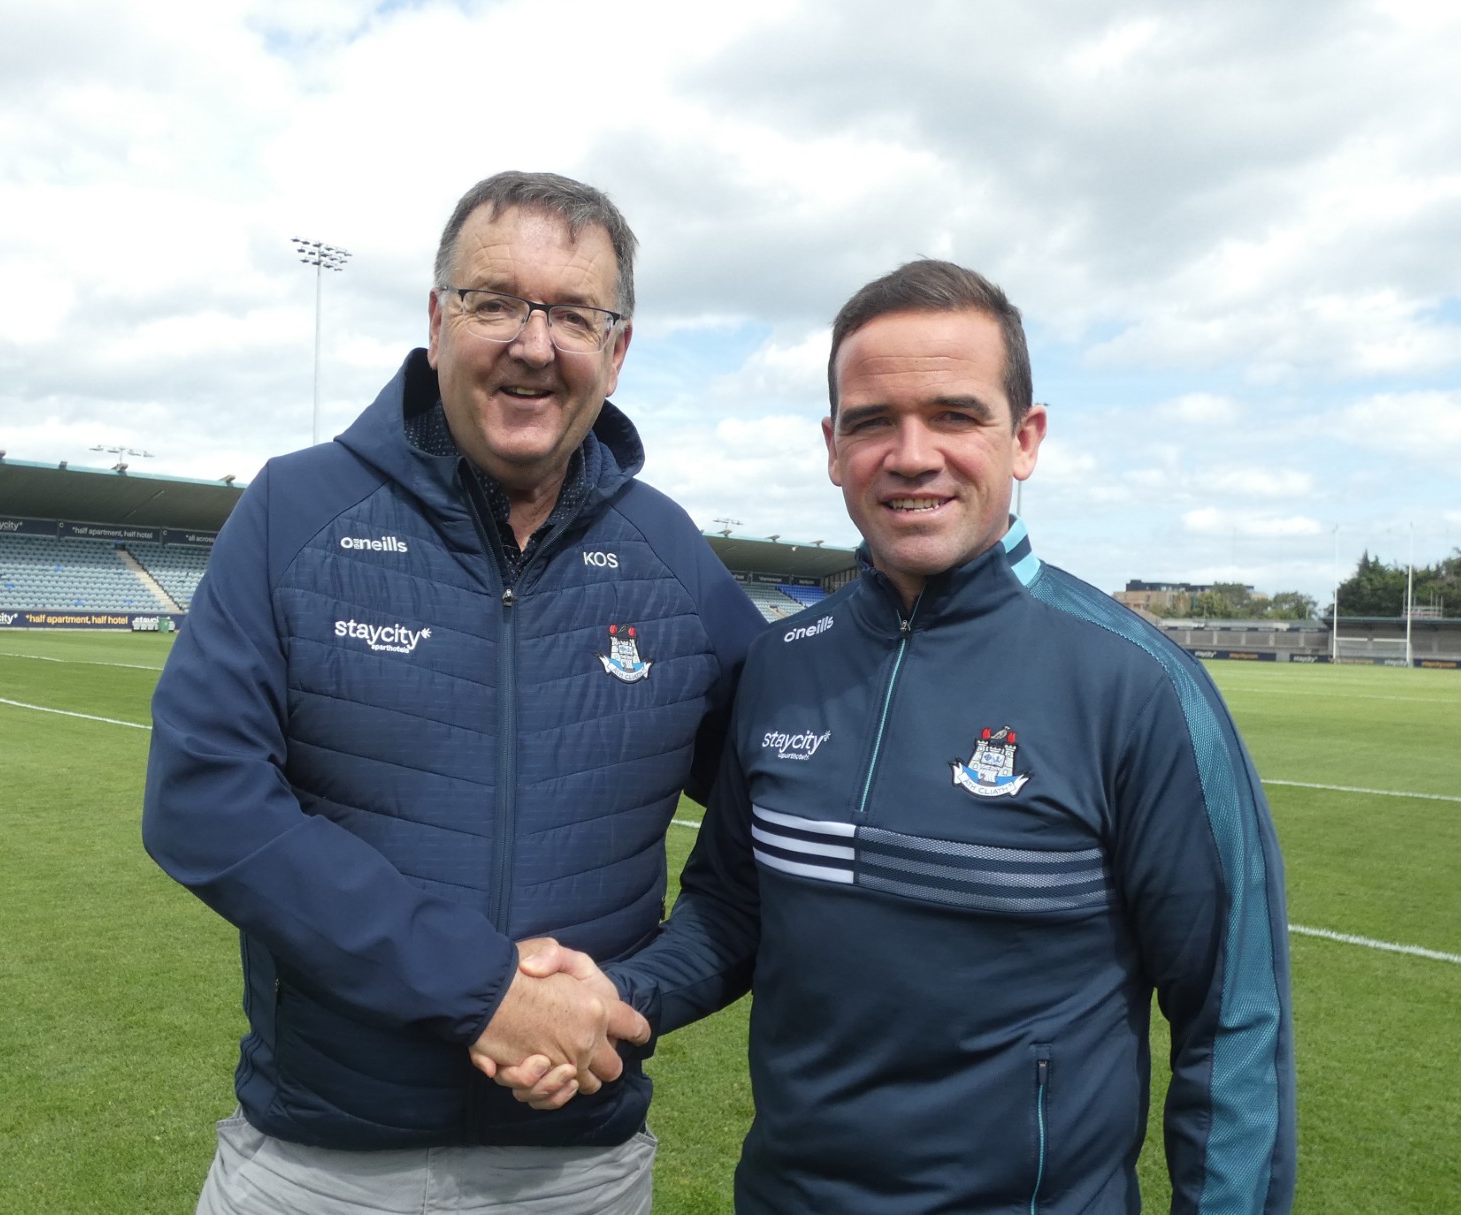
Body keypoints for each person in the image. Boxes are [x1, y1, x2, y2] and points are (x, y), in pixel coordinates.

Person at [503, 259, 1296, 1213]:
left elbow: (1234, 1017)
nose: (912, 454)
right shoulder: (783, 662)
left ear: (1026, 439)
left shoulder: (1139, 686)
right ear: (834, 447)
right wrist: (612, 996)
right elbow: (731, 913)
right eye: (874, 420)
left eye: (956, 415)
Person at [142, 170, 765, 1214]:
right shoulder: (295, 509)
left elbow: (773, 824)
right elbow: (204, 802)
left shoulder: (671, 558)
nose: (534, 342)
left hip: (580, 1172)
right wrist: (483, 996)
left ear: (617, 350)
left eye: (573, 313)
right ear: (437, 323)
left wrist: (627, 1000)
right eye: (495, 301)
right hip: (320, 1170)